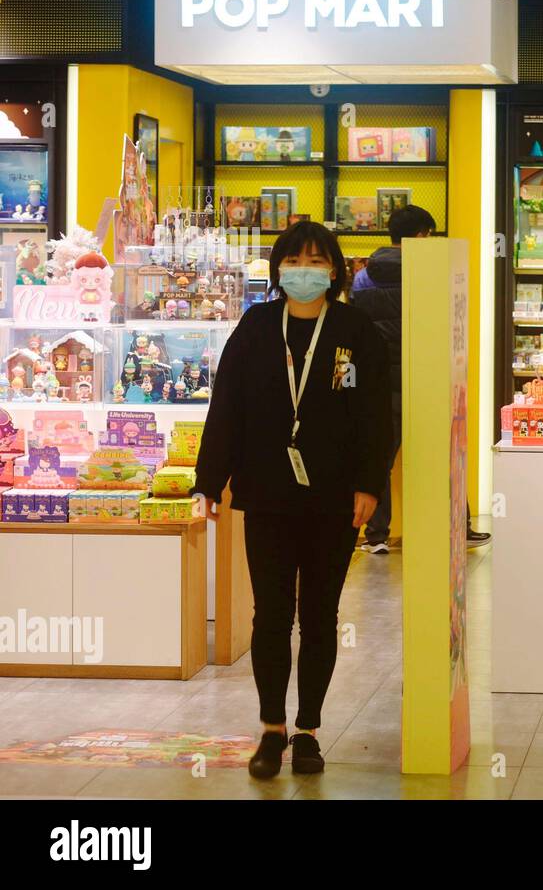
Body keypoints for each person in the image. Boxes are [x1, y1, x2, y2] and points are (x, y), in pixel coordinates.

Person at [193, 221, 393, 779]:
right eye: (294, 261)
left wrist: (370, 486)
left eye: (316, 260)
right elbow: (226, 406)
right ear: (280, 269)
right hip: (267, 495)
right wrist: (209, 481)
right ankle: (270, 728)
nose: (305, 270)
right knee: (271, 616)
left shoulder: (356, 330)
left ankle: (308, 730)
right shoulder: (257, 326)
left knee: (321, 616)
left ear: (334, 269)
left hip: (335, 499)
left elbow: (378, 417)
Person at [350, 204, 491, 552]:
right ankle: (458, 527)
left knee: (379, 457)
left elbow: (356, 328)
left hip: (379, 382)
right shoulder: (433, 271)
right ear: (421, 236)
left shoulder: (362, 275)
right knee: (445, 455)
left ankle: (376, 535)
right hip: (426, 378)